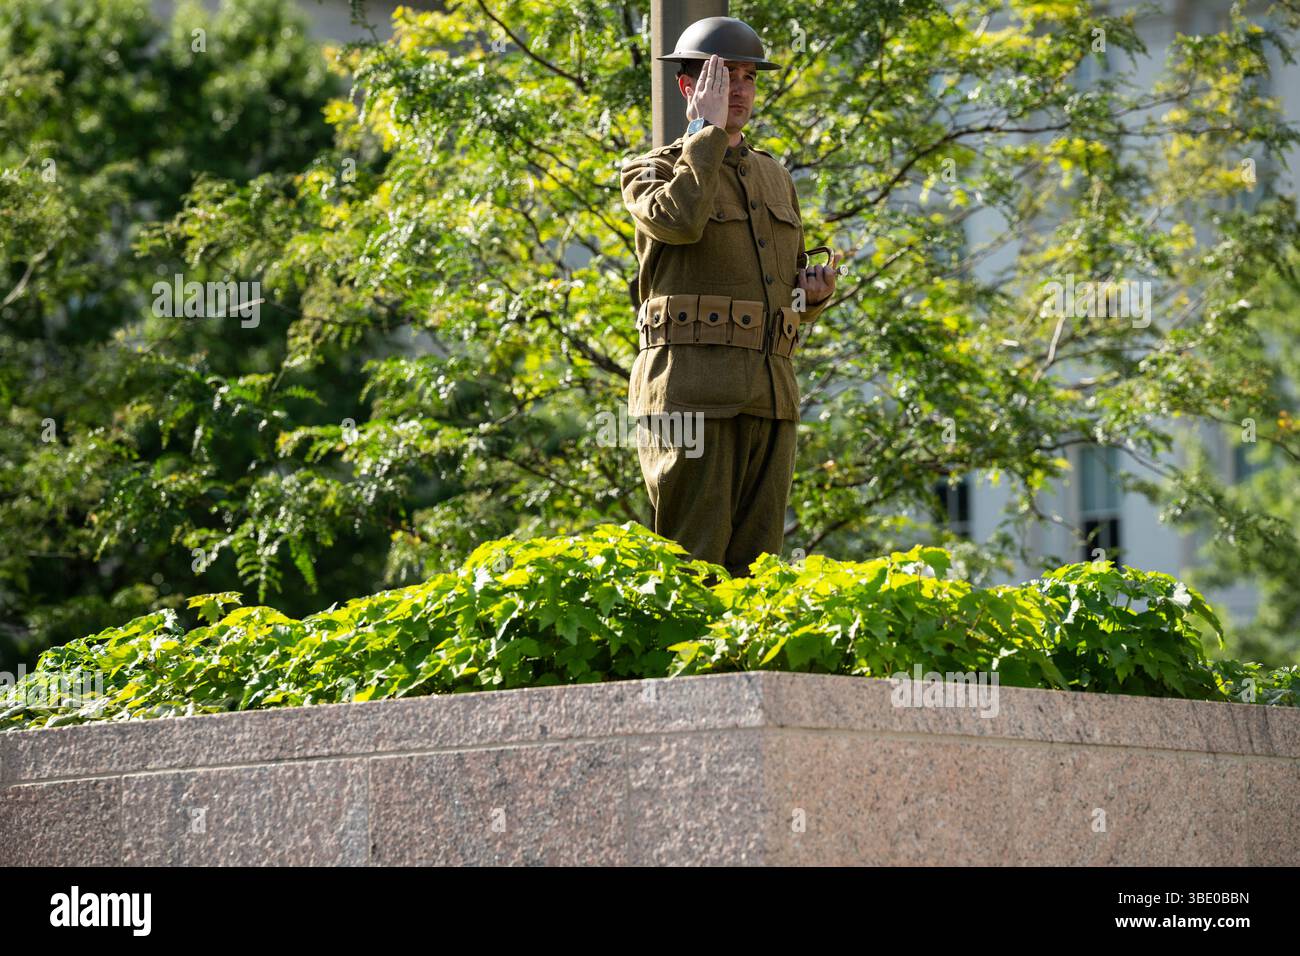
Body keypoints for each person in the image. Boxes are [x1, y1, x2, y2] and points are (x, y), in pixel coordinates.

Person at [620, 16, 839, 578]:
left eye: (747, 76)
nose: (738, 89)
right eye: (723, 76)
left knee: (759, 571)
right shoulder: (651, 170)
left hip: (770, 397)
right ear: (688, 86)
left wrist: (809, 298)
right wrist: (707, 135)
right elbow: (680, 221)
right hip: (691, 394)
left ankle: (747, 671)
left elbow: (779, 293)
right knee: (691, 564)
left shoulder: (774, 177)